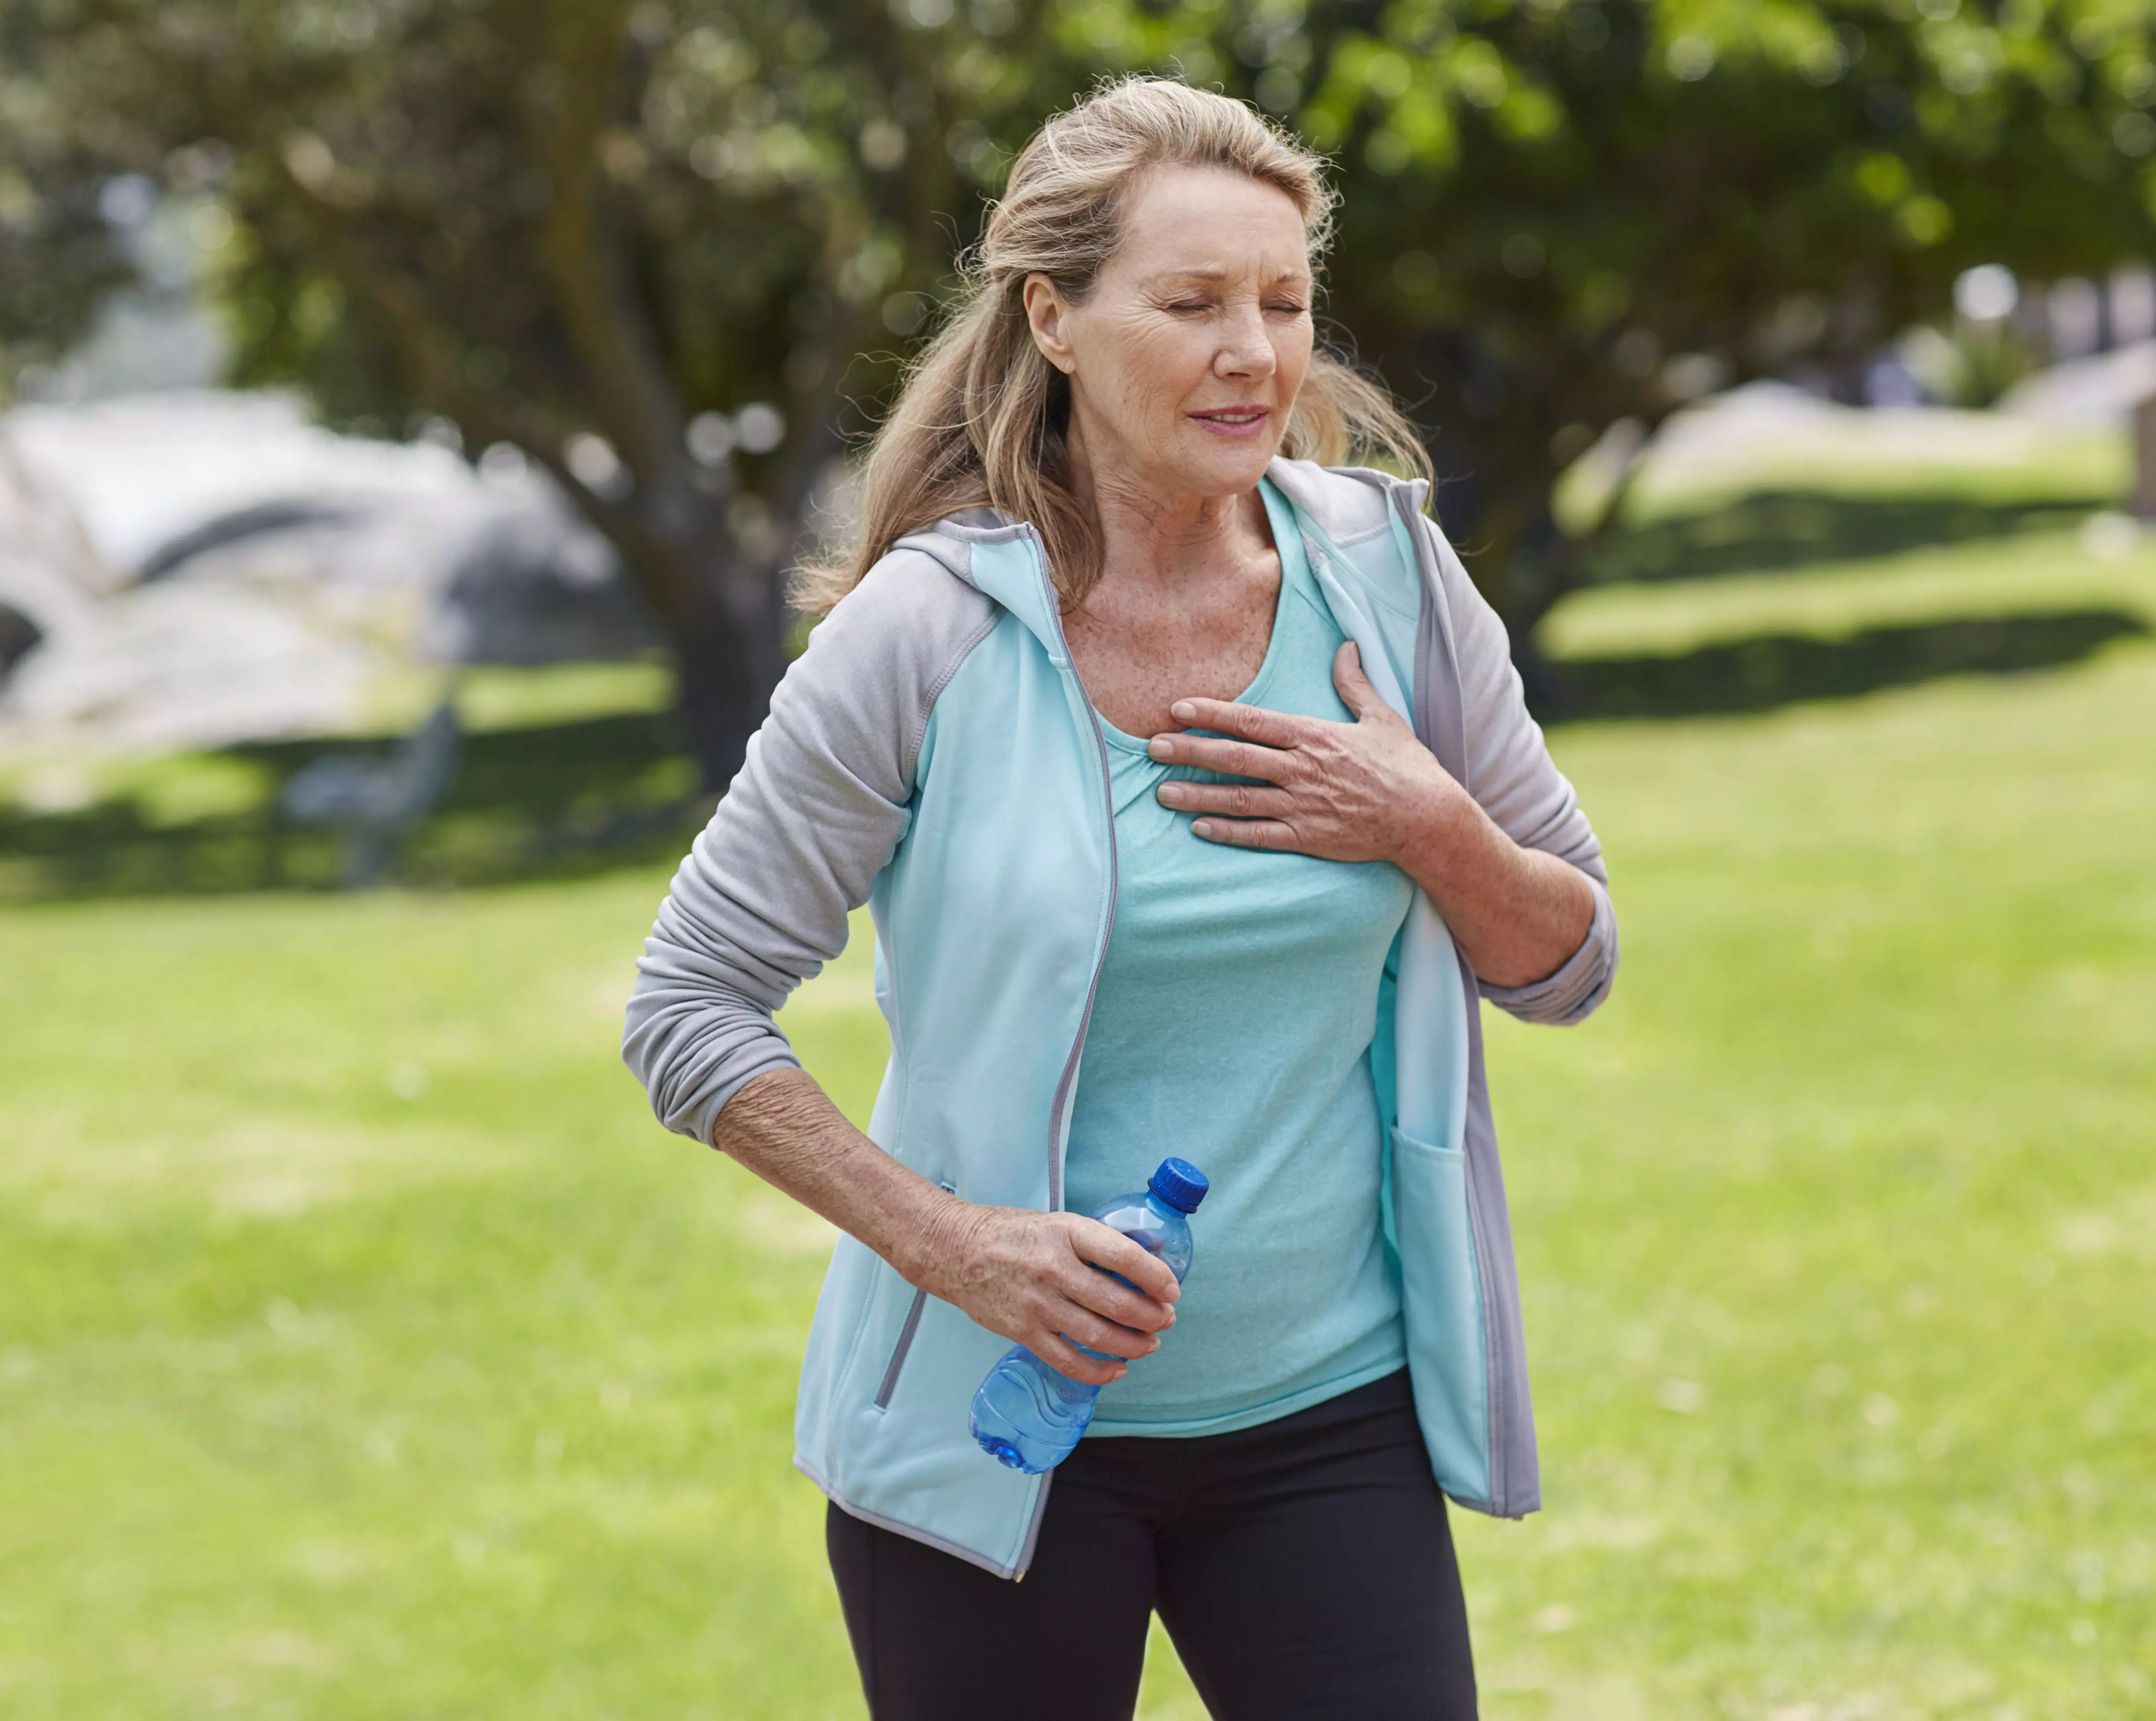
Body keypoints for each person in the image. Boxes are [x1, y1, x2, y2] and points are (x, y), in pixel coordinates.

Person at [624, 76, 1618, 1721]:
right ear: (1056, 320)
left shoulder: (1394, 579)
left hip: (1328, 1424)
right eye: (1194, 303)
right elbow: (686, 1009)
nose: (1255, 351)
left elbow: (1567, 963)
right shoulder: (924, 635)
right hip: (992, 1431)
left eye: (1285, 302)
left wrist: (1430, 824)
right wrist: (959, 1248)